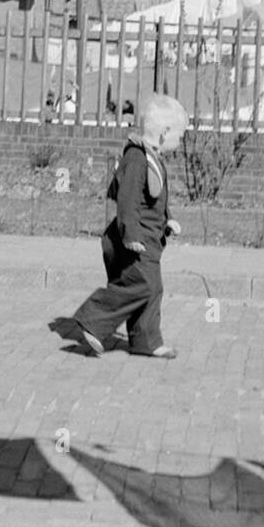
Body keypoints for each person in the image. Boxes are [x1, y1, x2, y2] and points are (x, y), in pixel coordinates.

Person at [71, 93, 189, 360]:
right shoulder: (136, 159)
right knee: (140, 285)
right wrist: (131, 234)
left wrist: (167, 219)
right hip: (132, 238)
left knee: (153, 288)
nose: (180, 142)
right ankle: (93, 321)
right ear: (163, 133)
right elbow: (128, 200)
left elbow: (153, 199)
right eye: (178, 136)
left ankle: (146, 340)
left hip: (149, 237)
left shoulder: (152, 157)